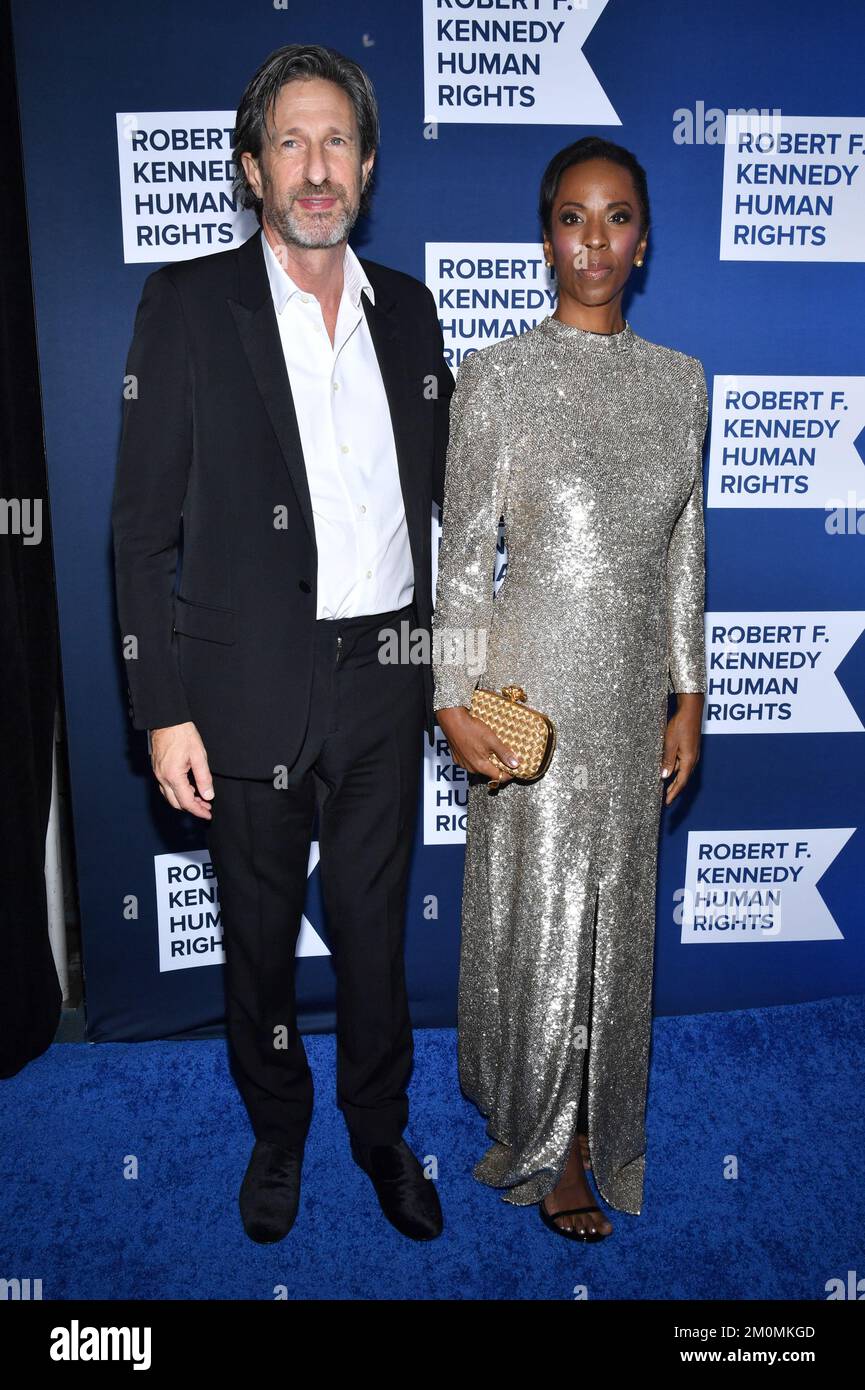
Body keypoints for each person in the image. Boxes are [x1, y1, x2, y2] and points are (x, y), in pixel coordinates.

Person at [111, 44, 454, 1244]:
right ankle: (277, 1126)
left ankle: (378, 1124)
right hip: (243, 685)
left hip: (384, 682)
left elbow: (456, 497)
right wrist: (160, 707)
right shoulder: (190, 302)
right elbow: (139, 529)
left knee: (373, 928)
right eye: (292, 144)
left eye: (339, 142)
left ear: (366, 163)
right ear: (253, 169)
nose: (318, 168)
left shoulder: (407, 310)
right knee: (256, 934)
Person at [432, 136, 708, 1242]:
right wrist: (452, 698)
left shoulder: (681, 382)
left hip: (633, 689)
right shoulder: (497, 375)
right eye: (573, 218)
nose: (594, 240)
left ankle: (597, 1127)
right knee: (540, 920)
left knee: (616, 924)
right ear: (544, 234)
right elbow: (461, 560)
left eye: (618, 218)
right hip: (528, 691)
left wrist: (689, 698)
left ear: (643, 242)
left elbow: (686, 547)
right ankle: (541, 1133)